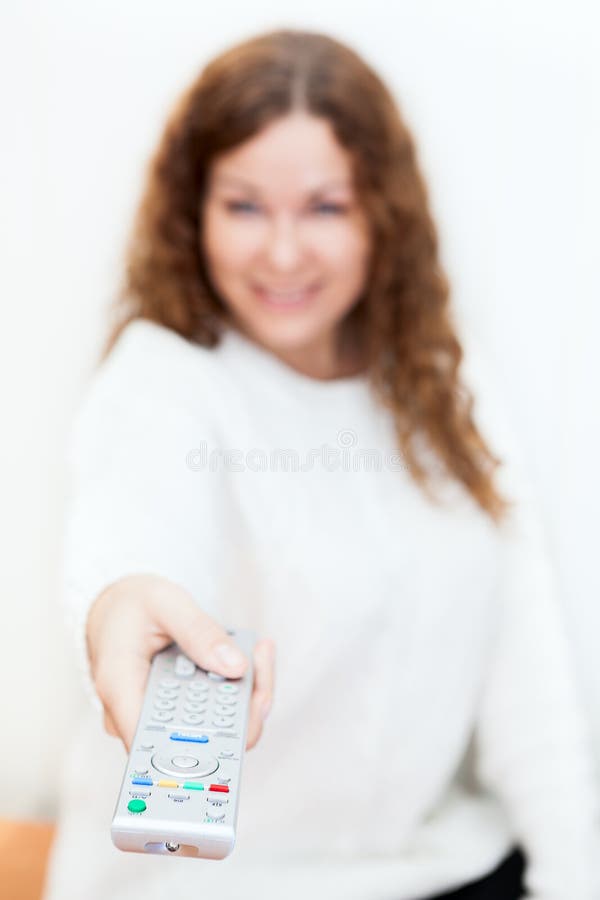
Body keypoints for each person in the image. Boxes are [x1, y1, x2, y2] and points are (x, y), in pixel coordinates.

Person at [43, 28, 598, 900]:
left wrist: (575, 878)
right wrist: (122, 603)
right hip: (216, 885)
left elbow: (526, 679)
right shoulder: (162, 380)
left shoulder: (447, 375)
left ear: (384, 210)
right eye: (245, 206)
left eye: (325, 207)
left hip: (438, 870)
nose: (284, 252)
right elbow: (133, 535)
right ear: (193, 212)